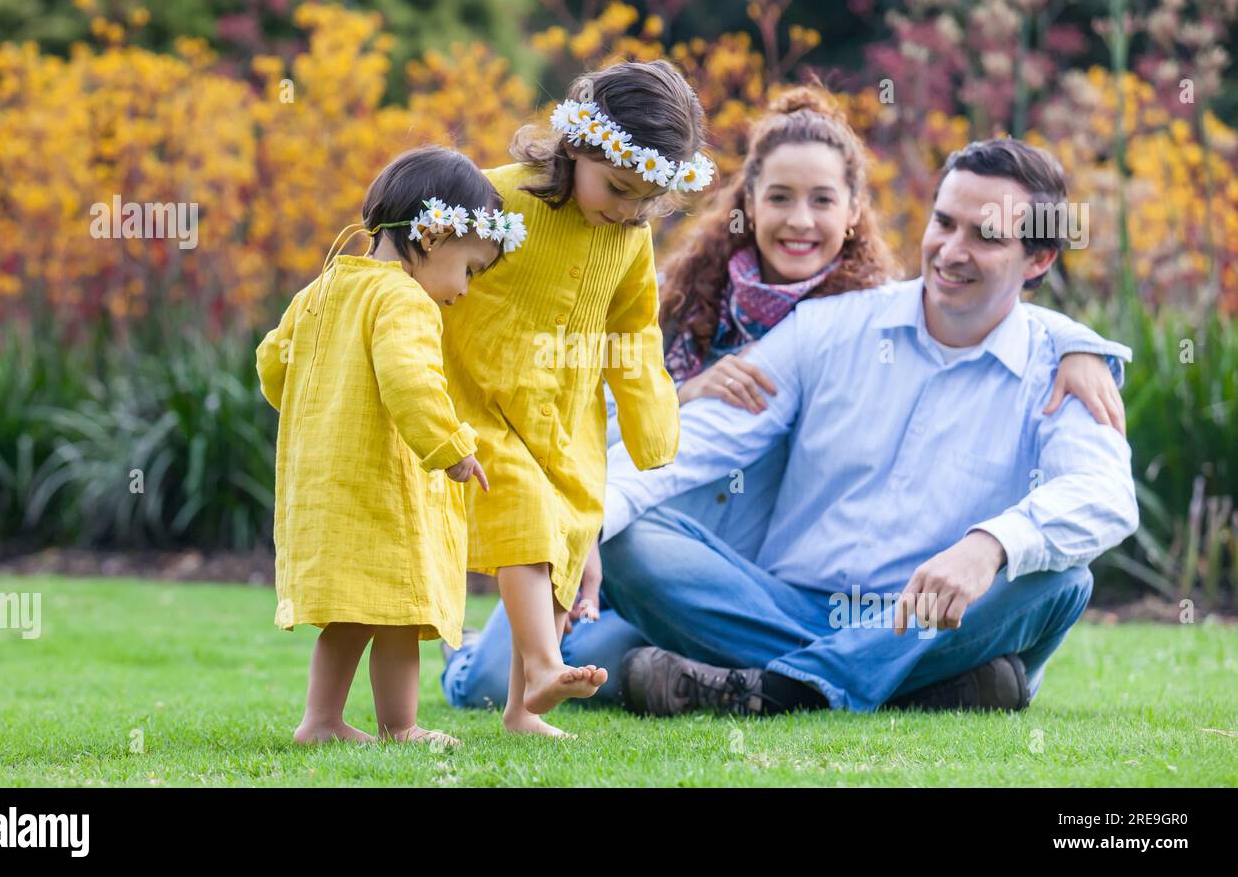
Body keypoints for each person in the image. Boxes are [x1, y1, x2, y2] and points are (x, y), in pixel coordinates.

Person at [442, 89, 1131, 713]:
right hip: (767, 602)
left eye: (985, 236)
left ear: (1039, 260)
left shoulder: (1063, 366)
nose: (951, 250)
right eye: (944, 222)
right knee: (625, 541)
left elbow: (1105, 494)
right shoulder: (827, 327)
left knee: (1061, 580)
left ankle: (783, 688)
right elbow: (696, 442)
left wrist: (990, 544)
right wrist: (592, 525)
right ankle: (917, 684)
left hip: (918, 615)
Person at [438, 59, 719, 737]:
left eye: (645, 199)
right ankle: (541, 665)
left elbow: (632, 329)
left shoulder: (629, 238)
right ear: (576, 145)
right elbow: (420, 272)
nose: (626, 209)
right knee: (527, 510)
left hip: (567, 415)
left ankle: (520, 710)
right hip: (483, 402)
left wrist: (652, 427)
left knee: (568, 533)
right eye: (618, 188)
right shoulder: (498, 200)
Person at [255, 146, 515, 747]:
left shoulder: (325, 288)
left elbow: (273, 360)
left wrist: (314, 414)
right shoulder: (405, 300)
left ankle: (325, 722)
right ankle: (395, 727)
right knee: (398, 609)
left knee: (358, 614)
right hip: (380, 488)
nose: (466, 290)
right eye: (470, 269)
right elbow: (410, 381)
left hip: (328, 482)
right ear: (434, 235)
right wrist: (451, 446)